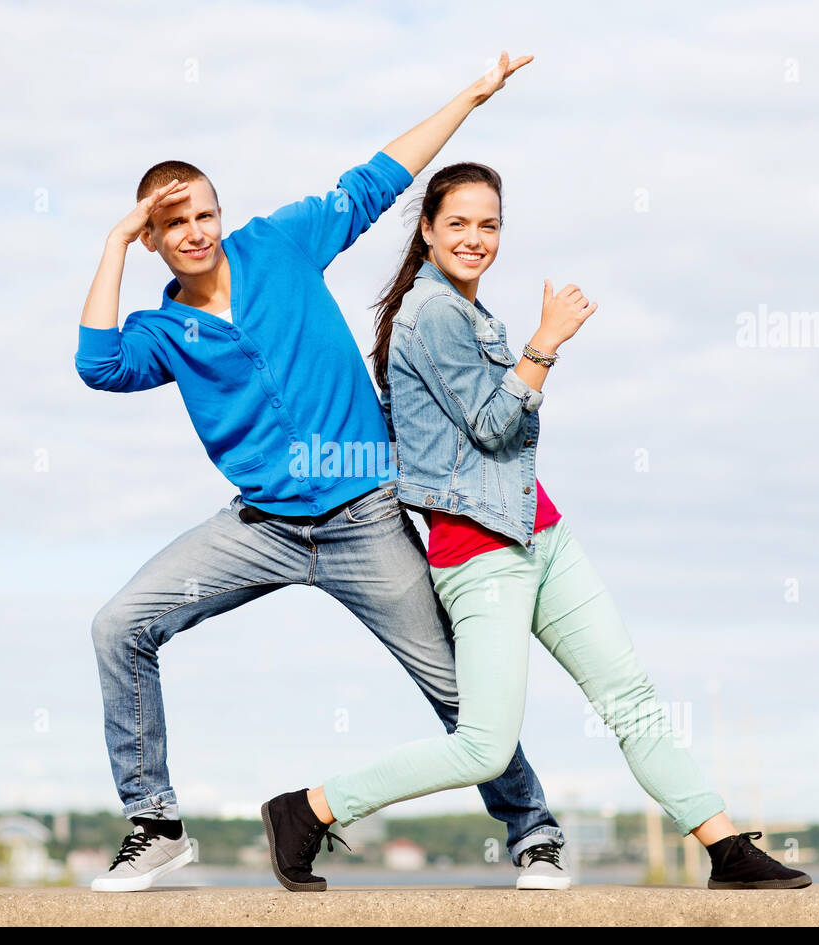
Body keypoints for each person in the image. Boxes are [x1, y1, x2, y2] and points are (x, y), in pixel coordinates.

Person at [76, 54, 573, 891]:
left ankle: (534, 830)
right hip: (258, 528)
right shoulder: (163, 330)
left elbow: (380, 178)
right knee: (117, 626)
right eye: (172, 224)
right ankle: (155, 823)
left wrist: (470, 97)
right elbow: (98, 363)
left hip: (366, 519)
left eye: (204, 212)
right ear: (155, 239)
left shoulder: (279, 243)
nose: (194, 231)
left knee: (457, 689)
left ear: (220, 214)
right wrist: (113, 241)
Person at [260, 162, 813, 891]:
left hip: (542, 534)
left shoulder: (466, 310)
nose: (475, 238)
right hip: (481, 556)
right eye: (457, 223)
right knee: (484, 747)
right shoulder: (432, 315)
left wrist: (532, 347)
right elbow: (492, 428)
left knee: (631, 699)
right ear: (426, 229)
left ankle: (724, 848)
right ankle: (311, 808)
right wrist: (546, 344)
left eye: (488, 225)